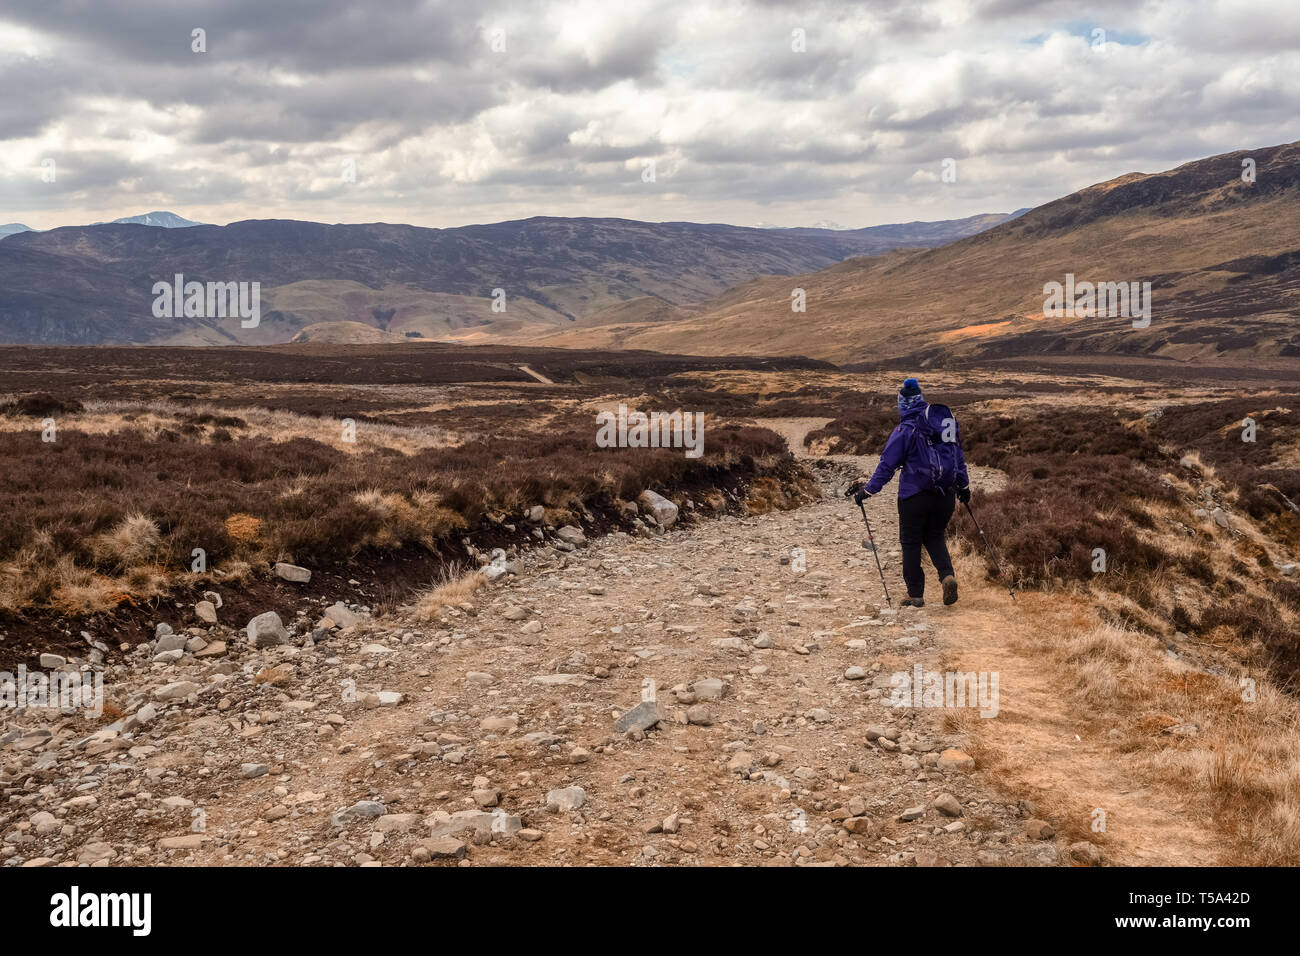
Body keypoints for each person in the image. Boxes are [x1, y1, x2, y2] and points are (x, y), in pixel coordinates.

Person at [846, 378, 971, 607]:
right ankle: (947, 576)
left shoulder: (905, 429)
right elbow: (957, 457)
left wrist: (868, 491)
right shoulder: (945, 424)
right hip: (945, 494)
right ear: (921, 400)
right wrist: (964, 487)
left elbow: (887, 465)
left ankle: (915, 595)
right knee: (935, 535)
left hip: (914, 495)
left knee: (911, 541)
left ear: (902, 404)